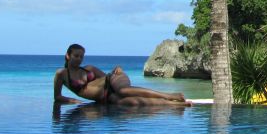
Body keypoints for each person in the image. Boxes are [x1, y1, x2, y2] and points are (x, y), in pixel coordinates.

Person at [54, 43, 191, 107]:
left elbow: (107, 77)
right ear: (67, 56)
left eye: (81, 56)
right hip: (105, 97)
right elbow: (58, 97)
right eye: (76, 56)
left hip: (114, 80)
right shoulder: (62, 74)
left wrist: (117, 68)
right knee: (129, 102)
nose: (79, 59)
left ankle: (170, 95)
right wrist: (74, 101)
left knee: (123, 91)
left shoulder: (88, 68)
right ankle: (173, 105)